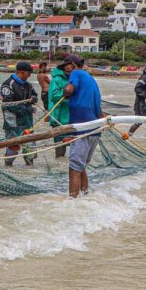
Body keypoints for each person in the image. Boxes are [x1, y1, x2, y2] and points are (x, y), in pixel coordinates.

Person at [63, 54, 103, 198]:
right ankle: (85, 197)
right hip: (95, 129)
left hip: (82, 128)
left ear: (73, 64)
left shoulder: (76, 73)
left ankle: (72, 202)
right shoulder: (91, 78)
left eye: (68, 68)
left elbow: (68, 90)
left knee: (74, 169)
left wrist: (65, 92)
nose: (67, 72)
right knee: (80, 167)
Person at [0, 61, 38, 166]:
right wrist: (26, 109)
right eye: (29, 73)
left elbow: (34, 96)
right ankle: (8, 166)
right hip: (12, 122)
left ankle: (30, 167)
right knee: (13, 146)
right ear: (21, 72)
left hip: (27, 121)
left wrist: (34, 99)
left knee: (29, 146)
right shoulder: (7, 85)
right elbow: (8, 105)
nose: (30, 75)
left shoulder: (28, 85)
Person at [47, 57, 73, 158]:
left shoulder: (73, 79)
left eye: (71, 68)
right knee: (59, 143)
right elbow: (54, 95)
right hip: (58, 116)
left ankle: (64, 164)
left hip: (70, 116)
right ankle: (59, 160)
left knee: (70, 141)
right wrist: (68, 93)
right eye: (67, 69)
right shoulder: (57, 79)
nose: (69, 70)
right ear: (63, 68)